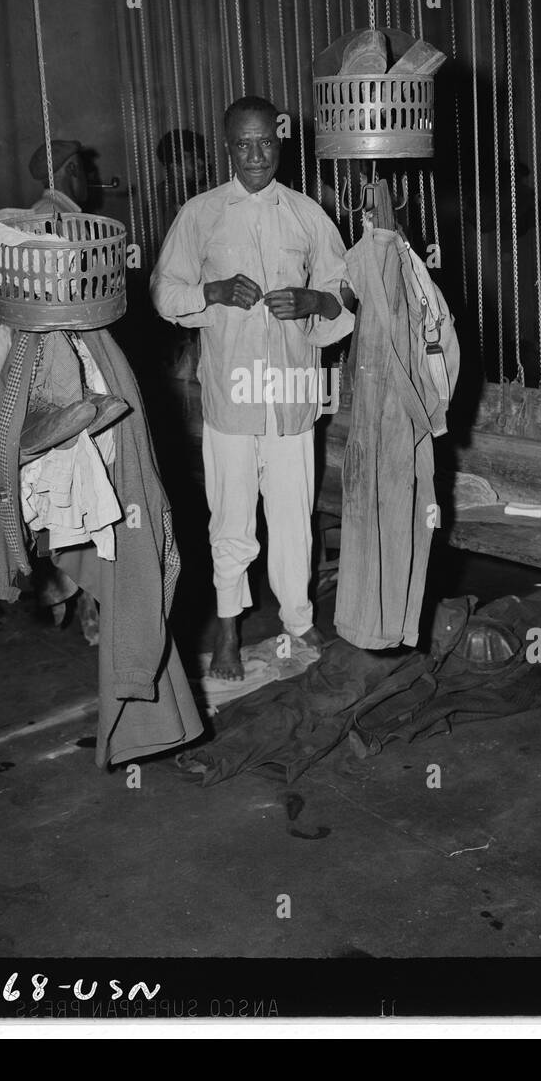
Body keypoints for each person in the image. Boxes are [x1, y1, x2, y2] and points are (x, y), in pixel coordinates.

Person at [151, 95, 354, 679]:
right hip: (233, 402)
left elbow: (344, 293)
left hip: (291, 397)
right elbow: (166, 293)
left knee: (293, 515)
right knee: (231, 519)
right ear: (228, 146)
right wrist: (211, 292)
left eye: (266, 141)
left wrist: (316, 301)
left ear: (280, 143)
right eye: (244, 143)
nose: (257, 154)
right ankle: (229, 629)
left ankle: (298, 617)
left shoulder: (307, 214)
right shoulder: (201, 214)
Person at [155, 128, 208, 219]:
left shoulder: (190, 193)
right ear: (173, 166)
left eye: (201, 156)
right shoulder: (163, 201)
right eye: (192, 158)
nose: (201, 163)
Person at [28, 138, 90, 213]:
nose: (87, 178)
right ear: (72, 168)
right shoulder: (51, 212)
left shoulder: (60, 209)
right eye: (82, 169)